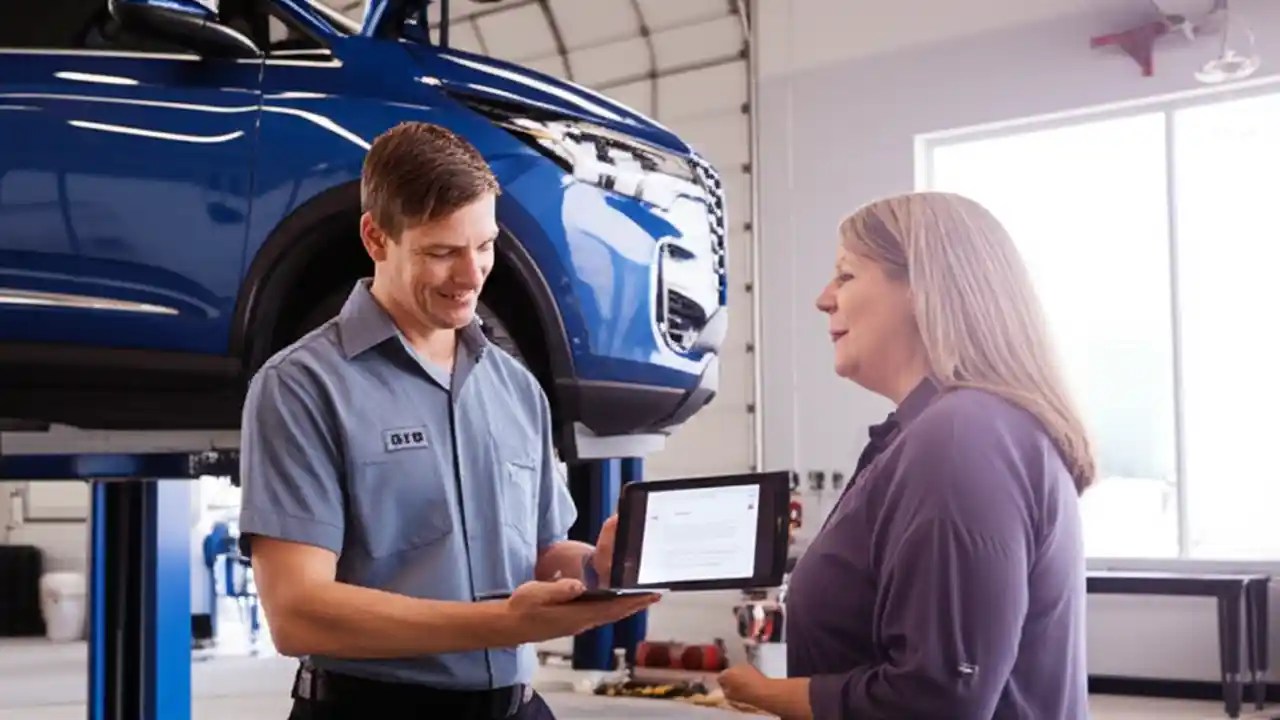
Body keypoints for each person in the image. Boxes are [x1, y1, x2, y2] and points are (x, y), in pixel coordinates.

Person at [237, 121, 658, 720]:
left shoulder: (516, 387)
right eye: (442, 252)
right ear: (376, 238)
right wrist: (502, 623)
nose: (471, 275)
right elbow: (297, 613)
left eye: (484, 246)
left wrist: (597, 569)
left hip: (517, 707)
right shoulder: (301, 387)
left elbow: (539, 553)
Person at [718, 191, 1094, 719]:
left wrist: (762, 691)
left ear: (923, 288)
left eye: (845, 276)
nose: (824, 298)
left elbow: (938, 697)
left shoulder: (964, 435)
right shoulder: (946, 432)